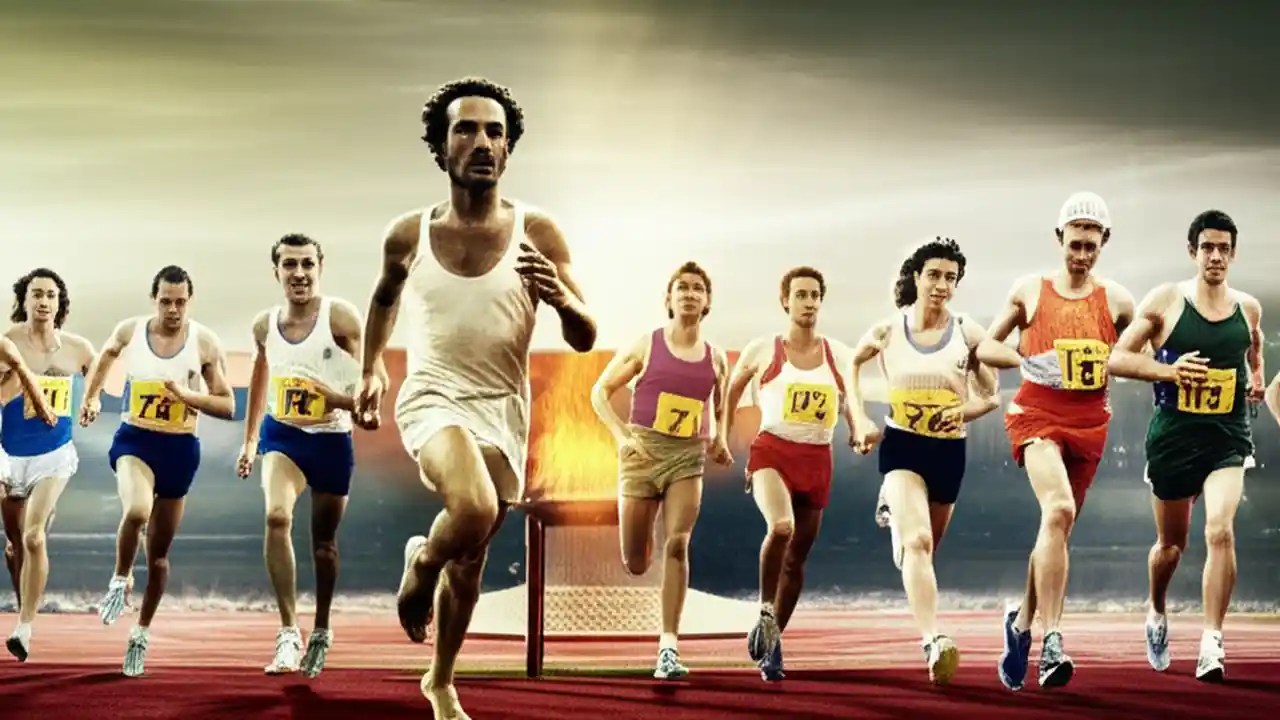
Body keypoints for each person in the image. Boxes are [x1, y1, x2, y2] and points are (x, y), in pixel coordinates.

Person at [353, 77, 596, 719]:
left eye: (495, 132)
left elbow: (584, 335)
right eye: (466, 129)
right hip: (433, 398)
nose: (483, 142)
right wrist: (372, 367)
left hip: (503, 407)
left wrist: (560, 297)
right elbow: (383, 299)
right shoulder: (408, 234)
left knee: (472, 556)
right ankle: (421, 562)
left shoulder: (537, 231)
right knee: (472, 507)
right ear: (441, 148)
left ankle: (440, 681)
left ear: (509, 150)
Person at [986, 192, 1135, 691]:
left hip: (1090, 423)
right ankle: (1052, 643)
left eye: (1092, 246)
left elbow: (1143, 351)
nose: (1082, 255)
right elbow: (987, 346)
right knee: (1059, 510)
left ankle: (1020, 625)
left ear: (1104, 242)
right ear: (1059, 239)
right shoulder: (1030, 290)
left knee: (1056, 530)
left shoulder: (1118, 301)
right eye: (1075, 244)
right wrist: (1027, 362)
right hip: (1037, 415)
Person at [849, 238, 1015, 685]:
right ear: (917, 277)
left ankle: (896, 518)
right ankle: (934, 641)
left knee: (919, 552)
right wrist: (859, 418)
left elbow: (990, 397)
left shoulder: (966, 332)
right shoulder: (888, 330)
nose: (942, 285)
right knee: (918, 541)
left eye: (950, 278)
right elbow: (853, 365)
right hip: (903, 445)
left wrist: (960, 412)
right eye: (934, 275)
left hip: (948, 452)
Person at [1107, 209, 1262, 684]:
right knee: (1171, 546)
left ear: (1233, 254)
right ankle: (1156, 609)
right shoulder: (1166, 301)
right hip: (1174, 438)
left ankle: (1212, 642)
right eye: (1207, 248)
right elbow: (1117, 358)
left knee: (1220, 531)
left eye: (1224, 249)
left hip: (1227, 437)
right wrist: (1170, 372)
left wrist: (1255, 379)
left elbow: (1253, 349)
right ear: (1193, 251)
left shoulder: (1247, 308)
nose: (1215, 256)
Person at [80, 265, 235, 677]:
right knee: (136, 511)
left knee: (160, 557)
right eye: (166, 301)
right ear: (154, 300)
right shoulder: (131, 331)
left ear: (189, 301)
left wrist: (187, 396)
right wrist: (92, 397)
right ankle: (119, 580)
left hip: (179, 448)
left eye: (180, 302)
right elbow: (106, 354)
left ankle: (140, 634)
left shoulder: (203, 342)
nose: (173, 310)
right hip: (136, 439)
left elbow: (227, 405)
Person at [589, 261, 731, 679]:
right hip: (642, 453)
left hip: (687, 456)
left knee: (678, 544)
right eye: (681, 287)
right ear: (669, 299)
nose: (689, 294)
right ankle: (645, 537)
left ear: (707, 302)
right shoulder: (646, 345)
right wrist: (621, 437)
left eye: (697, 288)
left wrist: (719, 439)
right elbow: (600, 392)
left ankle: (668, 647)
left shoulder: (715, 358)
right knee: (636, 561)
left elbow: (719, 405)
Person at [235, 233, 363, 678]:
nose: (299, 273)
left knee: (323, 545)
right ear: (276, 272)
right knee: (276, 517)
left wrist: (336, 398)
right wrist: (250, 440)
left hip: (330, 439)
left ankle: (322, 629)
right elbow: (260, 373)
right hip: (283, 435)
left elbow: (366, 395)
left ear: (320, 268)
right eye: (289, 264)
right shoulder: (264, 325)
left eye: (307, 264)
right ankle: (288, 632)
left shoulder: (341, 318)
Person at [720, 266, 855, 682]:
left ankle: (773, 639)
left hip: (817, 459)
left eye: (815, 296)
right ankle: (765, 610)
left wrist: (858, 429)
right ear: (785, 301)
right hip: (772, 452)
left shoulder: (837, 354)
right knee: (781, 527)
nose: (809, 302)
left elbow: (850, 399)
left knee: (796, 560)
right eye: (801, 295)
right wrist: (723, 437)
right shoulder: (764, 349)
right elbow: (732, 388)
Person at [1, 269, 93, 662]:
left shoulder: (77, 348)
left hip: (54, 453)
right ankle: (25, 602)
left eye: (51, 295)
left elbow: (100, 371)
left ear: (60, 303)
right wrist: (19, 380)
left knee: (34, 536)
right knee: (15, 546)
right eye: (36, 294)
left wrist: (93, 399)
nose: (43, 301)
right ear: (24, 300)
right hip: (11, 454)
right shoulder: (8, 342)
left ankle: (24, 628)